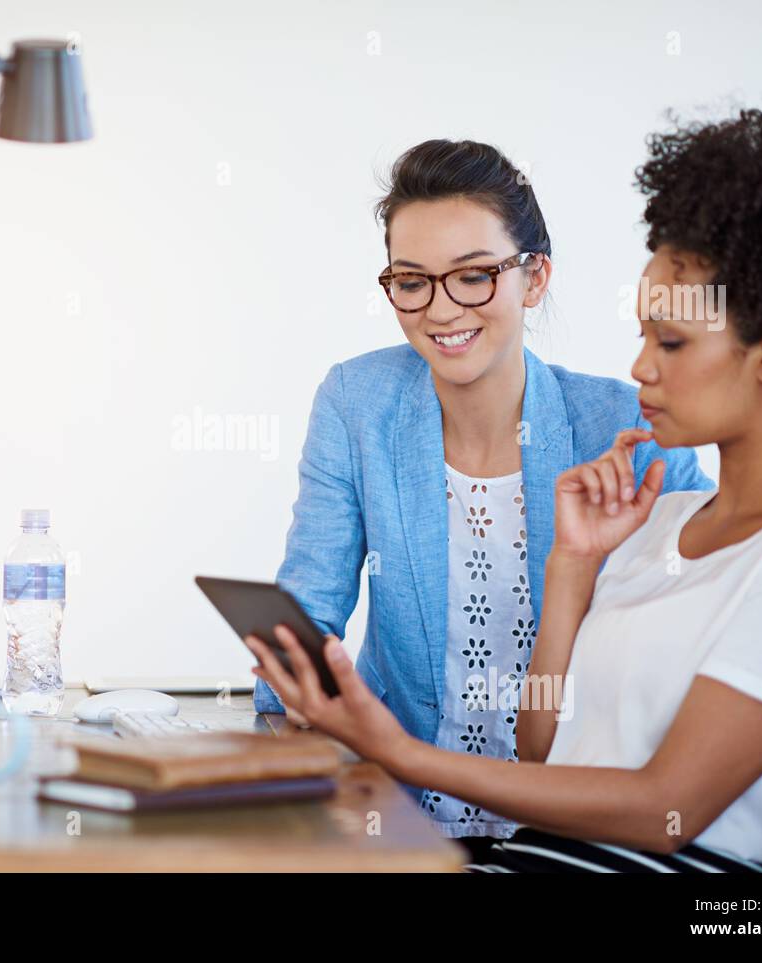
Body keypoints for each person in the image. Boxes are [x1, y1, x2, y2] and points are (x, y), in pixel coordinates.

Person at [247, 109, 762, 872]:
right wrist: (571, 568)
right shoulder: (659, 518)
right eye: (412, 281)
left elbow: (666, 807)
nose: (641, 367)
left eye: (669, 342)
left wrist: (396, 752)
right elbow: (542, 744)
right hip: (496, 844)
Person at [253, 138, 712, 842]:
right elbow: (306, 614)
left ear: (535, 278)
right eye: (412, 280)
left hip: (579, 829)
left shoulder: (627, 425)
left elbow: (696, 636)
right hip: (403, 821)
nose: (440, 310)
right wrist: (301, 700)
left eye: (473, 276)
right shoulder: (358, 402)